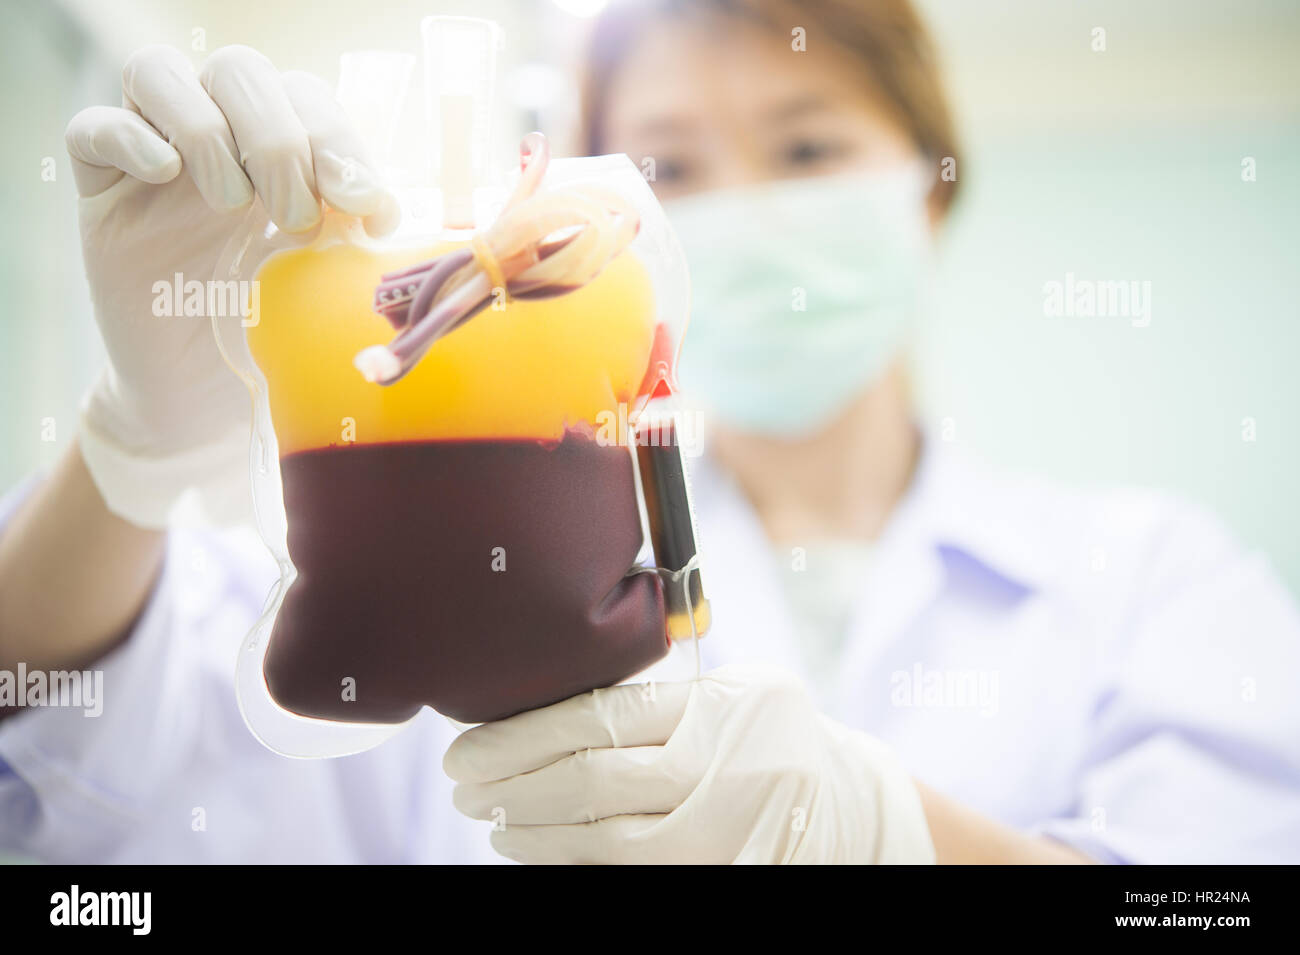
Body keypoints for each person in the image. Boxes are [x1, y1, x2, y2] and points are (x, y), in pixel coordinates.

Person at [0, 0, 1297, 865]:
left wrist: (890, 836)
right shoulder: (455, 551)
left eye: (806, 147)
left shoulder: (1151, 580)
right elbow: (61, 746)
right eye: (668, 170)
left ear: (929, 184)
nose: (743, 208)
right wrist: (136, 453)